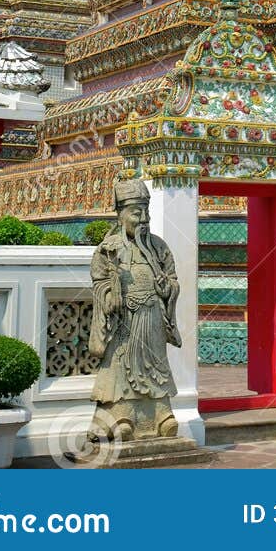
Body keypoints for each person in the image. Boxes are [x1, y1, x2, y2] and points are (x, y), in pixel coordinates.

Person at [88, 176, 180, 441]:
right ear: (120, 215)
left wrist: (166, 288)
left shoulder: (159, 247)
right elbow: (99, 285)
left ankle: (162, 416)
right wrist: (112, 293)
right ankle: (121, 416)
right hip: (124, 322)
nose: (143, 219)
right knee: (121, 369)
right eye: (135, 213)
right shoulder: (108, 250)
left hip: (153, 319)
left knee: (157, 368)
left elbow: (173, 280)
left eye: (145, 212)